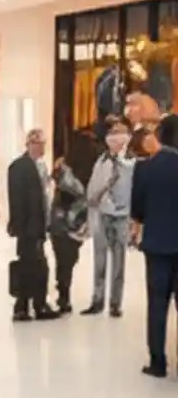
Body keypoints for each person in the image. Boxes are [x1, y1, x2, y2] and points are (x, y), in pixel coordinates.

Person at [133, 116, 178, 377]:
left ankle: (158, 362)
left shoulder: (146, 168)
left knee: (157, 305)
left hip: (158, 246)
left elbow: (137, 208)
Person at [7, 128, 60, 322]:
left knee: (36, 265)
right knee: (30, 265)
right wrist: (19, 226)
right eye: (37, 143)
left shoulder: (41, 167)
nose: (41, 147)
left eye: (43, 143)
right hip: (28, 227)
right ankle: (27, 305)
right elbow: (17, 200)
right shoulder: (18, 167)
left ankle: (36, 304)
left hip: (38, 226)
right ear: (29, 144)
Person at [83, 121, 134, 316]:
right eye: (112, 133)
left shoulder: (132, 163)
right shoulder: (102, 161)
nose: (115, 137)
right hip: (102, 213)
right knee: (100, 259)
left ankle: (115, 303)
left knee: (119, 261)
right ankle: (97, 299)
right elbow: (92, 188)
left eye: (120, 133)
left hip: (122, 215)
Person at [48, 158, 89, 314]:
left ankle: (63, 296)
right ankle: (63, 296)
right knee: (65, 265)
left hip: (63, 231)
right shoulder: (69, 186)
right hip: (64, 231)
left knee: (64, 265)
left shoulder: (68, 188)